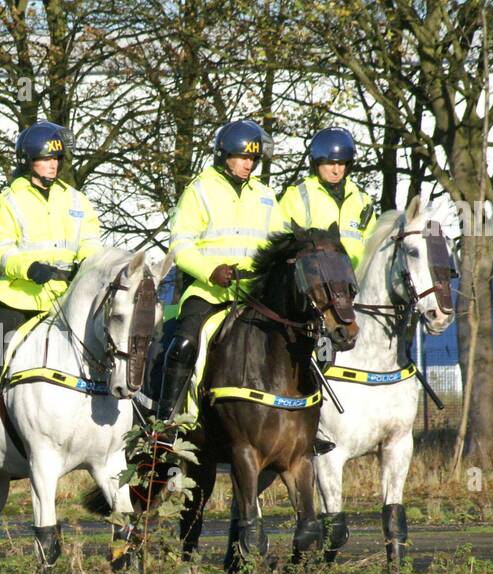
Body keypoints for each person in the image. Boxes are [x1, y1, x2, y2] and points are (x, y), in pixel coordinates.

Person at [0, 120, 102, 451]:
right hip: (22, 294)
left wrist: (87, 265)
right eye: (45, 158)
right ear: (27, 161)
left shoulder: (78, 201)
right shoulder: (9, 201)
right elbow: (1, 248)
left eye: (57, 158)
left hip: (67, 296)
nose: (53, 164)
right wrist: (28, 266)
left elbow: (91, 242)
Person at [149, 119, 277, 446]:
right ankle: (165, 424)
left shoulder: (265, 196)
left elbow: (278, 242)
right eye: (242, 157)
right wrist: (210, 271)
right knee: (184, 345)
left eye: (253, 158)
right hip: (208, 291)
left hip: (255, 294)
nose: (249, 163)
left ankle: (306, 422)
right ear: (224, 155)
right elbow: (181, 245)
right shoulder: (199, 191)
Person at [277, 126, 375, 269]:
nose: (336, 170)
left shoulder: (362, 199)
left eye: (341, 163)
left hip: (357, 284)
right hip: (315, 285)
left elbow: (372, 248)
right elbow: (280, 244)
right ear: (316, 163)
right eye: (330, 163)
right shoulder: (297, 194)